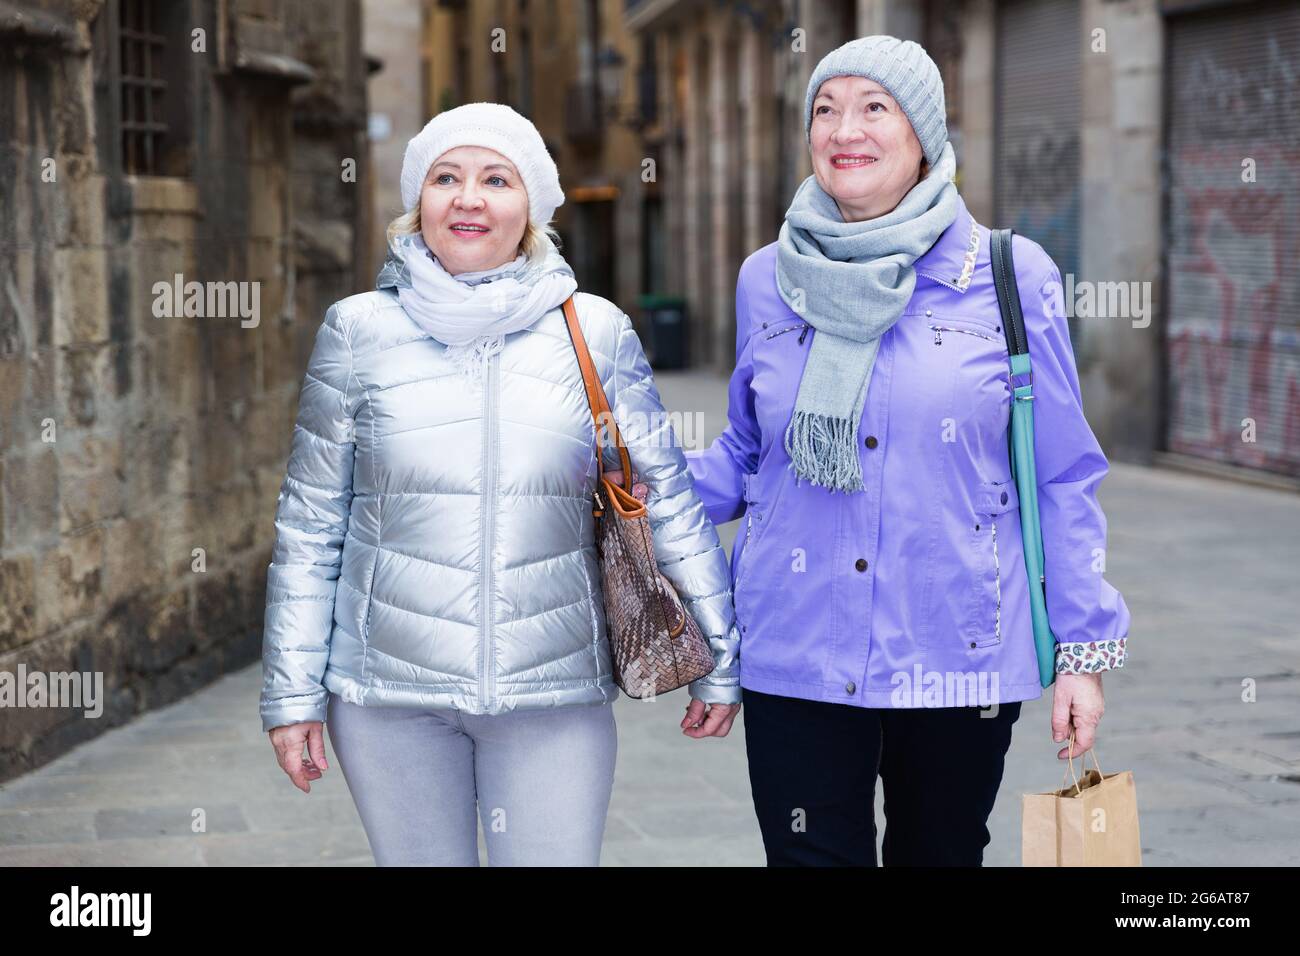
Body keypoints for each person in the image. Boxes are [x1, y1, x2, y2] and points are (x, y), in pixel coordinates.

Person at [682, 36, 1130, 866]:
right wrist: (634, 487)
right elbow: (749, 456)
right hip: (796, 653)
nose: (843, 129)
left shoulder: (1007, 274)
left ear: (921, 132)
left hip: (956, 649)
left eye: (873, 107)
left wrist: (1084, 652)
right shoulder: (765, 278)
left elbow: (1062, 474)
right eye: (825, 109)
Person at [258, 102, 741, 866]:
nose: (469, 197)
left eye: (496, 178)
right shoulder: (357, 333)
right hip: (388, 698)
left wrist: (719, 656)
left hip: (553, 698)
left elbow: (667, 503)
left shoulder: (597, 331)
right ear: (421, 203)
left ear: (533, 206)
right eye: (446, 177)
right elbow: (311, 525)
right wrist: (290, 695)